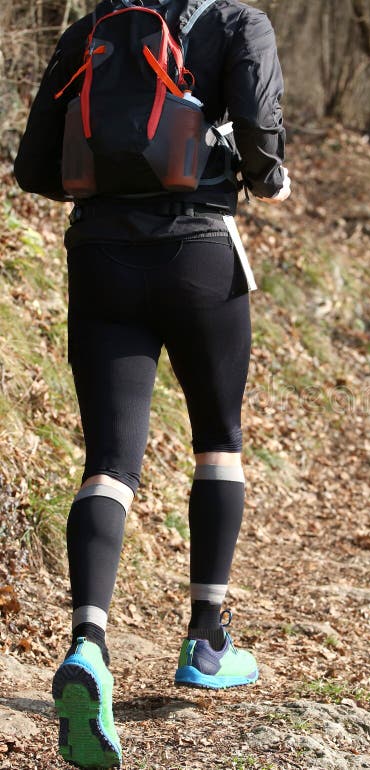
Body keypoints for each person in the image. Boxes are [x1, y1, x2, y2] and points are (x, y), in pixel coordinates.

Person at [14, 0, 290, 766]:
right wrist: (264, 173)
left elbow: (35, 168)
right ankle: (205, 641)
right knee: (218, 443)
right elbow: (263, 137)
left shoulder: (92, 29)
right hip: (200, 251)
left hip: (99, 257)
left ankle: (89, 647)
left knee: (108, 462)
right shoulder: (239, 23)